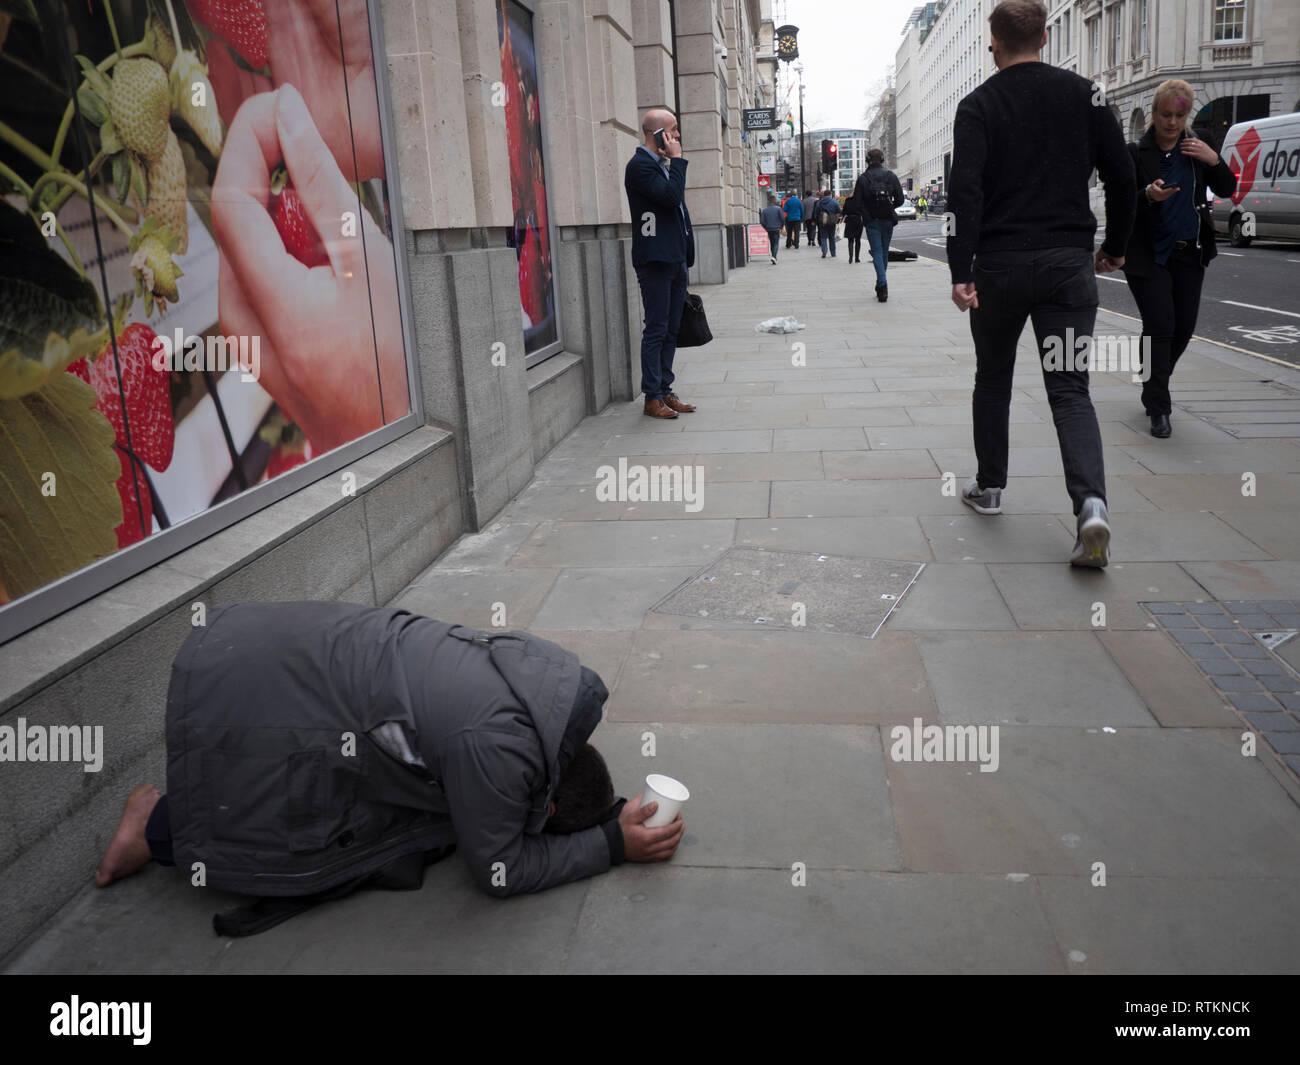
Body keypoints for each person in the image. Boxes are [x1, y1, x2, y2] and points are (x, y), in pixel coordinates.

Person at [94, 602, 685, 935]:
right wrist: (610, 846)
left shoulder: (551, 691)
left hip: (313, 644)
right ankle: (152, 827)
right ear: (546, 803)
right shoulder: (498, 752)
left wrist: (607, 819)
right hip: (295, 693)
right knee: (280, 819)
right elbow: (501, 869)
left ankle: (157, 818)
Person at [946, 0, 1135, 568]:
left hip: (1000, 267)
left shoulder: (978, 105)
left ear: (994, 43)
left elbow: (966, 195)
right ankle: (1091, 506)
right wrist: (1116, 247)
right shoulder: (1089, 96)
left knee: (993, 377)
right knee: (1070, 390)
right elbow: (1124, 177)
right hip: (1066, 267)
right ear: (1048, 37)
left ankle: (991, 488)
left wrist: (961, 271)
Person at [1122, 80, 1236, 438]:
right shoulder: (1136, 152)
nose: (1172, 122)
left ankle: (1152, 375)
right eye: (1165, 114)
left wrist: (1213, 159)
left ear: (1188, 115)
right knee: (1160, 324)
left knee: (1183, 328)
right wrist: (1147, 195)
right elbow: (1123, 205)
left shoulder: (1198, 144)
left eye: (1180, 115)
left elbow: (1227, 188)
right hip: (1149, 255)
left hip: (1190, 252)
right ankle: (1159, 405)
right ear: (1154, 114)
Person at [625, 108, 697, 420]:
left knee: (671, 329)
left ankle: (666, 390)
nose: (677, 136)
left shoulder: (661, 166)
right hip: (655, 260)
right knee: (656, 329)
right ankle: (652, 397)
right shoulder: (640, 167)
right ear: (658, 135)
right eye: (673, 130)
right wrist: (678, 160)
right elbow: (670, 198)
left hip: (674, 258)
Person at [853, 148, 906, 301]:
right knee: (883, 251)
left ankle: (882, 284)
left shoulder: (863, 178)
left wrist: (867, 213)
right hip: (888, 220)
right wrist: (890, 207)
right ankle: (881, 282)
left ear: (867, 160)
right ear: (882, 160)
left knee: (877, 251)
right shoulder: (890, 176)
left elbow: (857, 203)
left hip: (872, 221)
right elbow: (900, 200)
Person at [760, 194, 786, 264]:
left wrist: (766, 227)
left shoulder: (765, 210)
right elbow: (782, 219)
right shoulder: (778, 209)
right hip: (777, 228)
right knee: (776, 243)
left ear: (768, 201)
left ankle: (774, 257)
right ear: (775, 201)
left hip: (769, 229)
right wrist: (781, 226)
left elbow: (762, 221)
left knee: (772, 243)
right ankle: (774, 257)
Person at [841, 189, 865, 264]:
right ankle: (857, 258)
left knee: (850, 240)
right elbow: (864, 211)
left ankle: (850, 257)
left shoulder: (848, 200)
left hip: (849, 221)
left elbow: (844, 212)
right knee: (858, 240)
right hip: (858, 220)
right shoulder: (861, 201)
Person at [815, 188, 841, 258]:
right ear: (830, 195)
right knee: (831, 237)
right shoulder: (834, 202)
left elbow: (816, 212)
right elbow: (839, 211)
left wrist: (816, 220)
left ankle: (824, 251)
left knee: (823, 237)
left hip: (822, 221)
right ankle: (833, 253)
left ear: (824, 195)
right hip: (832, 222)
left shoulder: (820, 202)